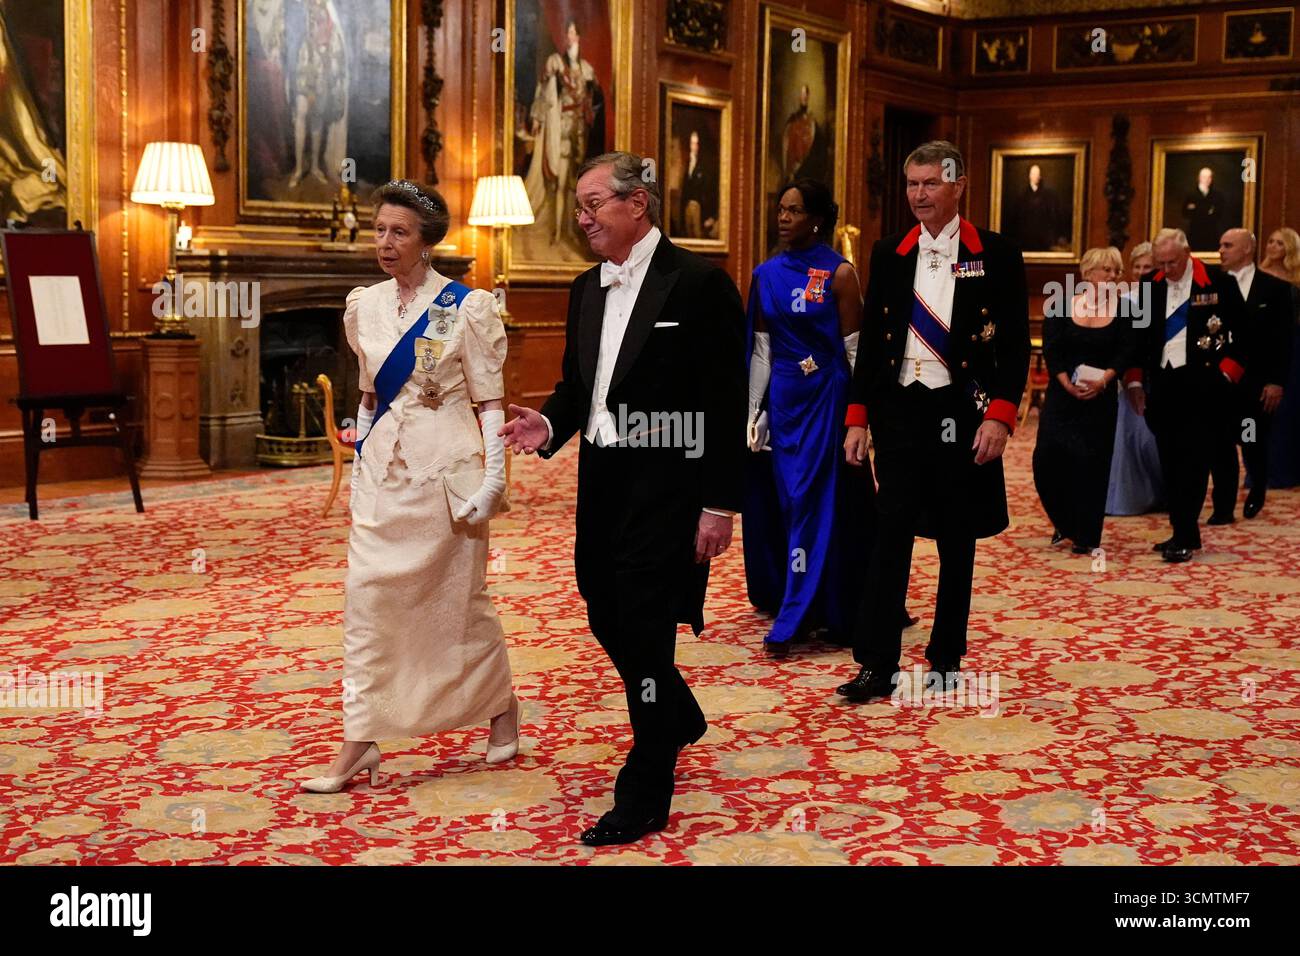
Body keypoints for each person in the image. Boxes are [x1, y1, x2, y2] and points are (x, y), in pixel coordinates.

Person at [500, 152, 746, 846]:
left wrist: (720, 504)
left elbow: (728, 403)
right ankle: (677, 710)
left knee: (642, 625)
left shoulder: (699, 285)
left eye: (593, 204)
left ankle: (647, 779)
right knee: (602, 606)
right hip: (603, 482)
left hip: (671, 487)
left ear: (637, 205)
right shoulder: (586, 288)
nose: (581, 219)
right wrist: (547, 422)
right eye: (578, 206)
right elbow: (584, 388)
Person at [300, 180, 517, 793]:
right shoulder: (363, 304)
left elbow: (491, 404)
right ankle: (361, 739)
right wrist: (360, 452)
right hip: (385, 474)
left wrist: (494, 481)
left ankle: (501, 709)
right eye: (379, 231)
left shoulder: (465, 307)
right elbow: (370, 393)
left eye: (399, 232)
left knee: (458, 603)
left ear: (426, 242)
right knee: (368, 602)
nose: (385, 243)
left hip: (446, 473)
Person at [837, 140, 1029, 701]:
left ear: (958, 184)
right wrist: (858, 418)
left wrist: (1000, 416)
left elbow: (1014, 347)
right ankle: (877, 662)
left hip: (962, 411)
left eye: (930, 184)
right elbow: (871, 345)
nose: (919, 195)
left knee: (956, 538)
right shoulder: (888, 252)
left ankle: (946, 655)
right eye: (912, 184)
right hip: (900, 412)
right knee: (888, 535)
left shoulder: (996, 254)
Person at [743, 178, 870, 655]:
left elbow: (855, 352)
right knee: (789, 500)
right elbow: (761, 350)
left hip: (828, 399)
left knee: (820, 501)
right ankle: (799, 599)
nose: (783, 218)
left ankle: (807, 613)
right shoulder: (765, 275)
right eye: (780, 209)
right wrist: (752, 410)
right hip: (784, 401)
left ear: (816, 219)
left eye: (794, 211)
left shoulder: (840, 274)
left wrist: (860, 415)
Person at [1124, 228, 1246, 563]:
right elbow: (1137, 340)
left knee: (1193, 462)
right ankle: (1183, 529)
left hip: (1205, 386)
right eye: (1161, 263)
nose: (1167, 268)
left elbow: (1247, 336)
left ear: (1188, 252)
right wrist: (1134, 383)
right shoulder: (1151, 285)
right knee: (1171, 462)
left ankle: (1184, 533)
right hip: (1163, 386)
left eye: (1173, 262)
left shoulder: (1220, 284)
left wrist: (1227, 374)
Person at [1033, 247, 1135, 554]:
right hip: (1062, 397)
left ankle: (1087, 534)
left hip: (1101, 399)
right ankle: (1065, 521)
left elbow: (1127, 352)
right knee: (1047, 460)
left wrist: (1104, 381)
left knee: (1091, 465)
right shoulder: (1061, 305)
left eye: (1117, 271)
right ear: (1087, 272)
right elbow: (1052, 349)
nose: (1113, 276)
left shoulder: (1127, 309)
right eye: (1107, 270)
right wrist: (1066, 383)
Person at [1208, 228, 1294, 519]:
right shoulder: (1212, 285)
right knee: (1220, 443)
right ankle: (1223, 506)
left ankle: (1257, 486)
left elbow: (1283, 340)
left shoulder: (1274, 289)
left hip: (1256, 382)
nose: (1221, 250)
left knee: (1251, 438)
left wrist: (1276, 381)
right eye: (1220, 245)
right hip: (1219, 379)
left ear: (1247, 249)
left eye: (1228, 245)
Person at [1106, 242, 1164, 515]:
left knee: (1152, 439)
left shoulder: (1164, 296)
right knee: (1129, 438)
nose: (1142, 273)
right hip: (1129, 378)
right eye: (1137, 267)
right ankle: (1128, 498)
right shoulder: (1124, 300)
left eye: (1148, 267)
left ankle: (1164, 492)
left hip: (1159, 376)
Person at [1260, 227, 1300, 487]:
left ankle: (1287, 469)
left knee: (1288, 410)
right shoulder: (1258, 276)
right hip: (1263, 346)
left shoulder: (1297, 281)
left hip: (1295, 344)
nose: (1273, 247)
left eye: (1280, 243)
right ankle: (1260, 470)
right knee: (1259, 412)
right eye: (1271, 242)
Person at [1182, 167, 1228, 252]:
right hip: (1195, 233)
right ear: (1199, 178)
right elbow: (1185, 213)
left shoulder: (1217, 195)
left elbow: (1219, 213)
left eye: (1209, 177)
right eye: (1204, 177)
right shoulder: (1191, 195)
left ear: (1211, 179)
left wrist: (1196, 209)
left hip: (1211, 233)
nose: (1206, 180)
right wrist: (1208, 211)